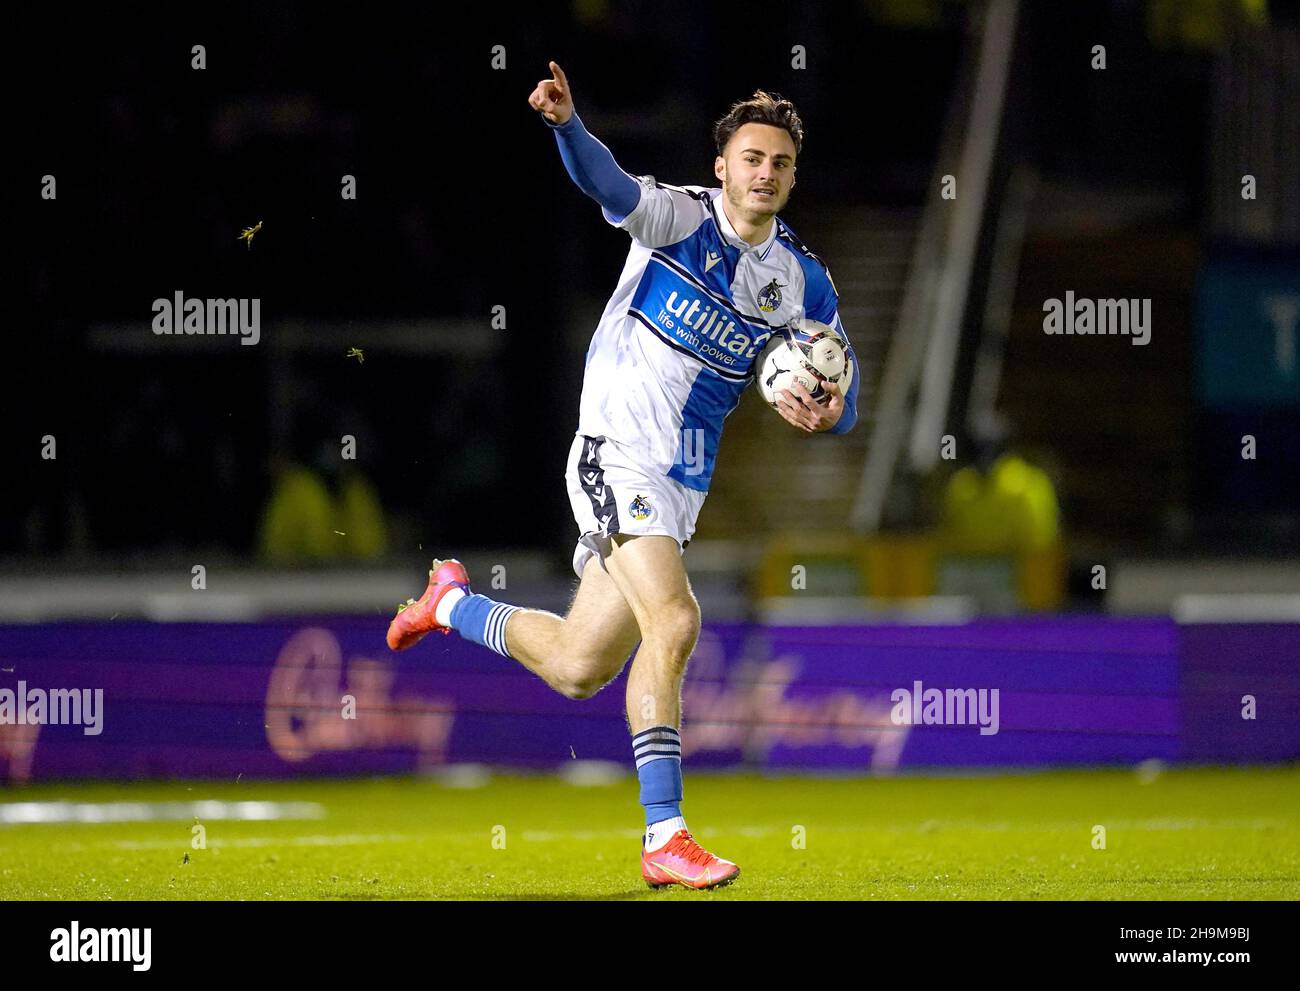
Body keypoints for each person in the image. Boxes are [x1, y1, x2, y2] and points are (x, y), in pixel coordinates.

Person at [387, 61, 860, 890]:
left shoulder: (801, 281)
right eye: (752, 157)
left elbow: (845, 391)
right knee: (675, 620)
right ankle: (665, 835)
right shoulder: (679, 218)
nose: (766, 173)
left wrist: (831, 413)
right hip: (613, 448)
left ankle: (449, 602)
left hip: (679, 487)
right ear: (723, 167)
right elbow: (607, 184)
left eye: (781, 162)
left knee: (579, 664)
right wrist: (568, 125)